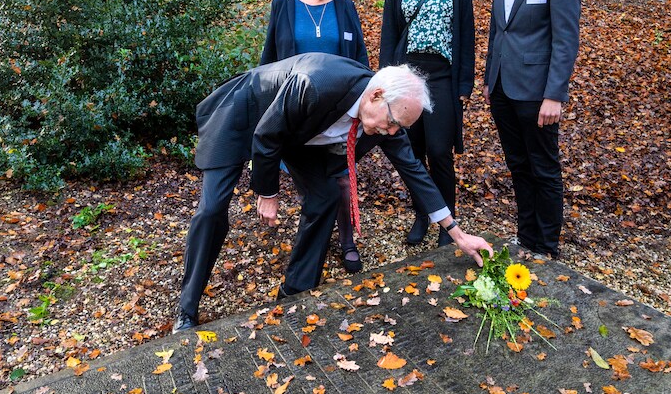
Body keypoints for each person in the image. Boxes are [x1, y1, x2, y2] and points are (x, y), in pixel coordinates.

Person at [175, 53, 494, 333]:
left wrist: (457, 233)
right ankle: (187, 309)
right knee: (212, 208)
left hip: (298, 133)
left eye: (401, 128)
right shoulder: (316, 84)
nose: (393, 132)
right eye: (394, 122)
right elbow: (267, 134)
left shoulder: (385, 117)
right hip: (245, 114)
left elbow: (415, 173)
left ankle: (294, 293)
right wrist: (268, 191)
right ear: (376, 96)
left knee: (326, 196)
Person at [261, 0, 368, 274]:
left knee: (341, 178)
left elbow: (360, 61)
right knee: (311, 183)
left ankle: (348, 240)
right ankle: (315, 242)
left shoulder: (345, 7)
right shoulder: (284, 4)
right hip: (298, 110)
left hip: (337, 109)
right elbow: (270, 60)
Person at [482, 0, 581, 260]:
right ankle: (525, 237)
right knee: (517, 165)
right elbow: (498, 29)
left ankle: (546, 245)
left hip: (538, 92)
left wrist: (555, 94)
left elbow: (566, 39)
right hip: (503, 88)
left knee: (543, 167)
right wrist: (488, 77)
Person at [379, 0, 475, 248]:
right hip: (407, 76)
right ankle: (422, 215)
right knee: (414, 152)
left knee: (440, 151)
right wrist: (386, 83)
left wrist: (465, 84)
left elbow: (466, 34)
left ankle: (447, 225)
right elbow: (390, 33)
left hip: (442, 77)